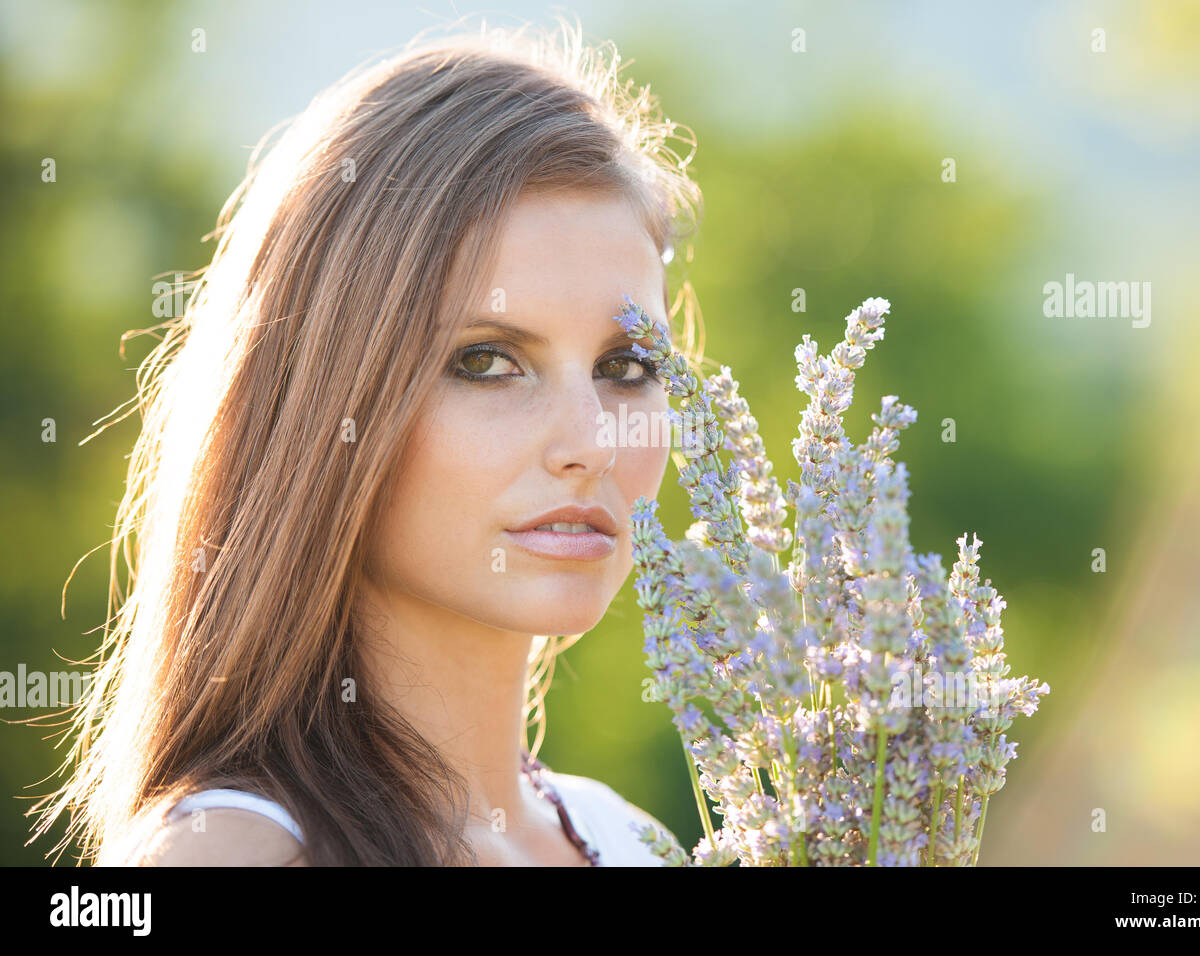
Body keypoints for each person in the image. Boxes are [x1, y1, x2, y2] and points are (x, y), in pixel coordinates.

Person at [27, 15, 705, 866]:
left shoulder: (637, 840)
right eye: (487, 361)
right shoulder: (226, 853)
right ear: (327, 400)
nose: (592, 441)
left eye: (626, 363)